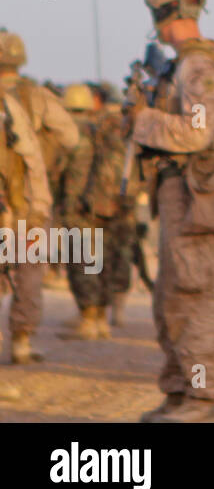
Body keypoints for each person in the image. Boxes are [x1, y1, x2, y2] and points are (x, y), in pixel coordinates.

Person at [132, 0, 214, 422]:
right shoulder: (180, 64)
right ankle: (180, 391)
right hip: (177, 193)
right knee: (171, 296)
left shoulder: (198, 65)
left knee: (192, 295)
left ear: (165, 10)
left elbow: (198, 132)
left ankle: (205, 398)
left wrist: (143, 121)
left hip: (195, 193)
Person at [0, 29, 80, 364]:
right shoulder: (36, 97)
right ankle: (21, 342)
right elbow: (72, 137)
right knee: (30, 270)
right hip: (31, 199)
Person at [57, 83, 129, 341]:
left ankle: (88, 320)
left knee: (82, 263)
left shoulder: (69, 132)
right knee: (102, 263)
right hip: (106, 206)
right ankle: (101, 319)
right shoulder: (102, 130)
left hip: (77, 208)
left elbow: (59, 172)